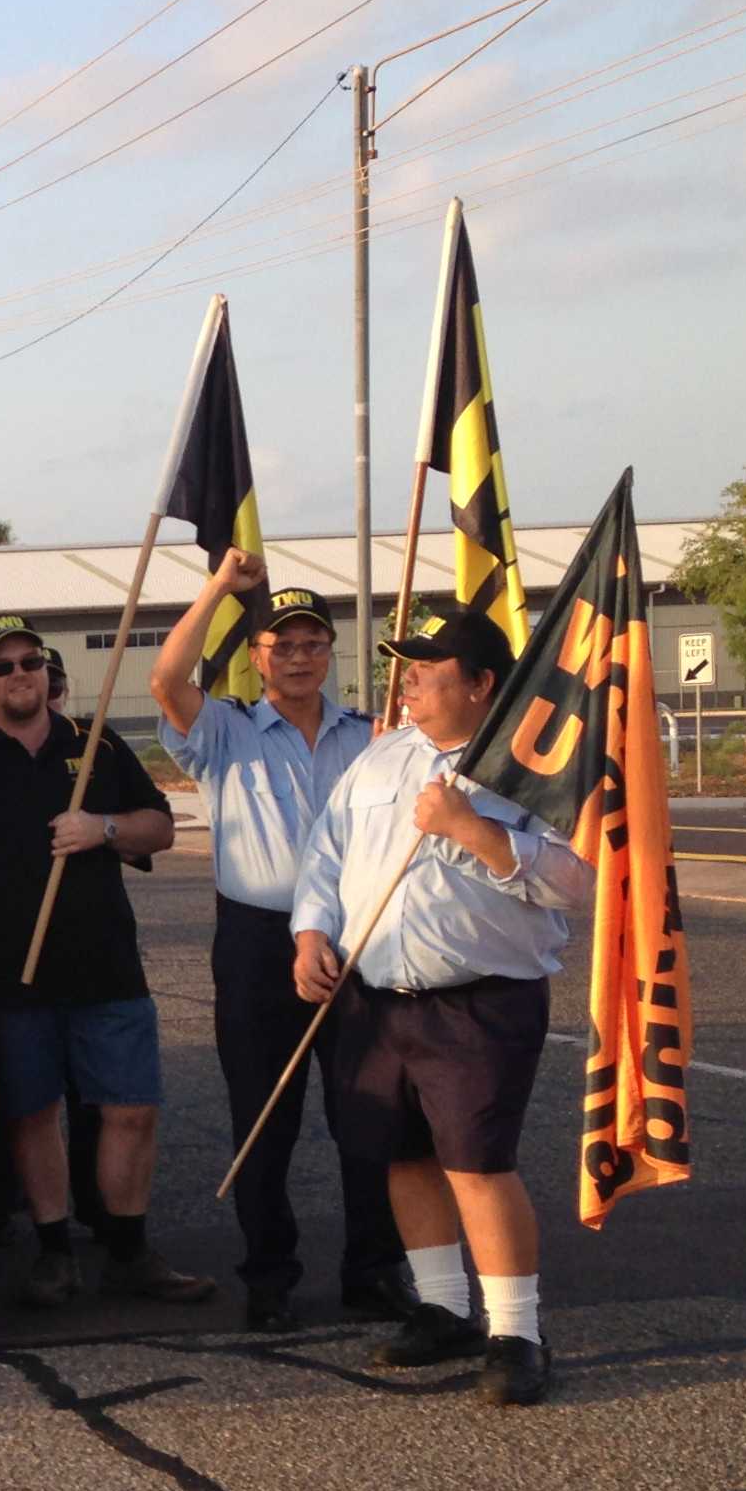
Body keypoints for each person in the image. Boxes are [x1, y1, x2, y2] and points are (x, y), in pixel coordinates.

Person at [292, 601, 591, 1405]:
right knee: (402, 1155)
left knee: (478, 1166)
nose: (410, 683)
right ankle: (443, 1309)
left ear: (482, 683)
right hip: (375, 997)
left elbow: (579, 879)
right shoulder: (383, 757)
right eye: (408, 668)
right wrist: (311, 933)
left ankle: (516, 1333)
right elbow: (327, 853)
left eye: (428, 671)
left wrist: (475, 830)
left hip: (477, 1003)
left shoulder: (534, 769)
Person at [0, 611, 212, 1310]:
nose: (20, 676)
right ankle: (53, 1251)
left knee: (131, 1110)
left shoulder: (94, 742)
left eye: (31, 663)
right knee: (33, 1114)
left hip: (106, 967)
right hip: (15, 975)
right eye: (3, 666)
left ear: (48, 672)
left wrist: (100, 828)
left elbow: (160, 826)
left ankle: (129, 1251)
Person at [153, 554, 405, 1331]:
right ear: (257, 656)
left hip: (357, 939)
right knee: (264, 1118)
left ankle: (373, 1269)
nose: (298, 658)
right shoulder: (225, 728)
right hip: (259, 943)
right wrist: (218, 590)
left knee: (369, 1114)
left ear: (330, 653)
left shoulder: (371, 734)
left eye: (312, 645)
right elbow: (167, 679)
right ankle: (269, 1275)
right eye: (281, 646)